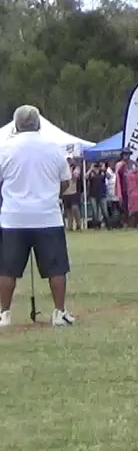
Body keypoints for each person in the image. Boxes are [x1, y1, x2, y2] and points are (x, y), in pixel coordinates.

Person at [0, 105, 76, 327]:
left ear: (16, 124)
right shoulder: (54, 148)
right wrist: (51, 195)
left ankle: (4, 313)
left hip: (13, 218)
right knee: (56, 267)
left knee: (7, 268)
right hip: (47, 217)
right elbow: (65, 181)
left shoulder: (5, 149)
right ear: (39, 123)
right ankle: (59, 312)